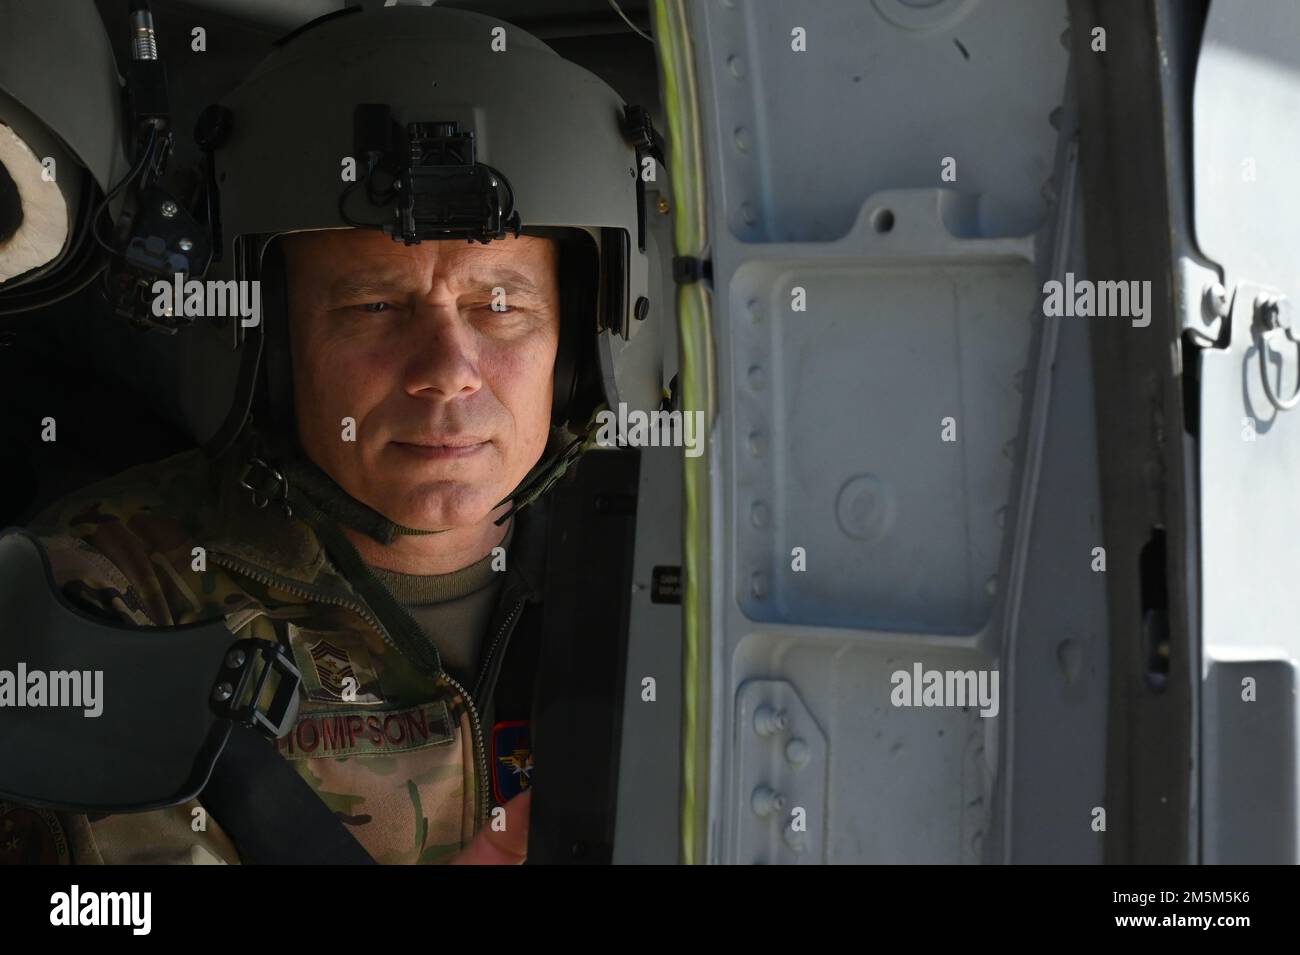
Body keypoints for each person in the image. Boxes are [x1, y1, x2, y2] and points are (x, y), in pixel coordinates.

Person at [0, 3, 659, 865]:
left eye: (499, 305)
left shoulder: (685, 581)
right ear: (270, 347)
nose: (447, 370)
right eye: (375, 305)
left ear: (574, 350)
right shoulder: (103, 601)